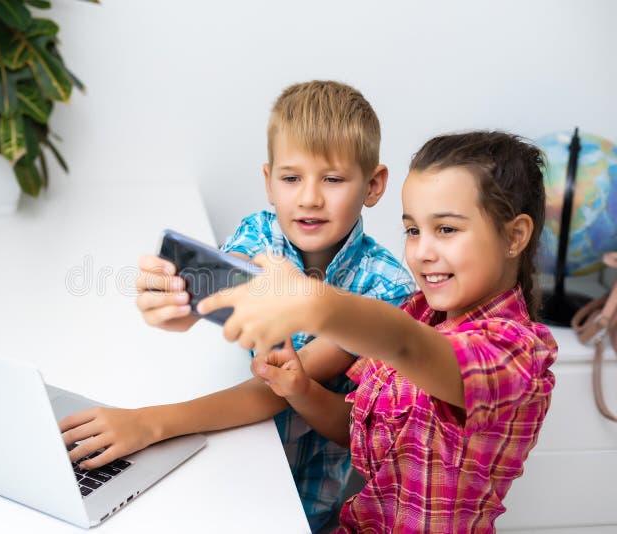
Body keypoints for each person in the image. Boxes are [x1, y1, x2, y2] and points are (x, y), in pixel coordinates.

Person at [59, 80, 414, 531]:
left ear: (374, 184)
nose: (309, 197)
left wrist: (149, 424)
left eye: (333, 179)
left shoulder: (386, 289)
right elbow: (214, 293)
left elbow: (279, 386)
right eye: (291, 178)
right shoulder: (259, 234)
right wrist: (176, 305)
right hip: (235, 462)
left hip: (301, 495)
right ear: (268, 182)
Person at [197, 131, 558, 532]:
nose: (422, 252)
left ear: (514, 236)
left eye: (447, 230)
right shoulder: (419, 313)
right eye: (413, 230)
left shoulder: (520, 353)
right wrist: (300, 389)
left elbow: (407, 346)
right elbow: (355, 430)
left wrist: (316, 303)